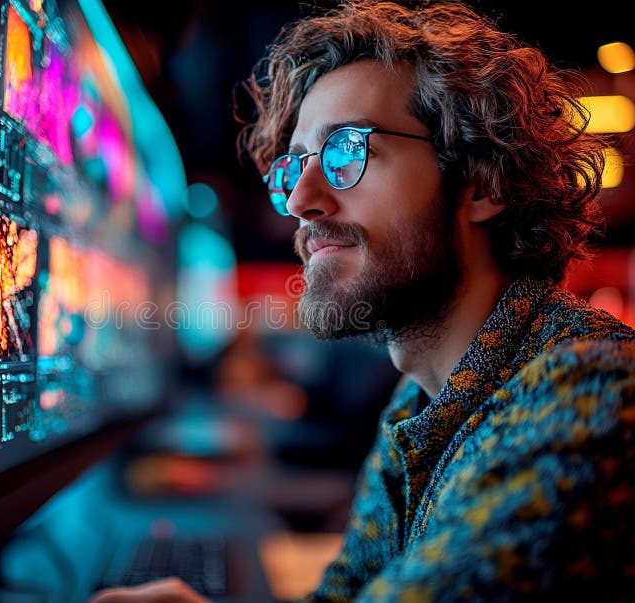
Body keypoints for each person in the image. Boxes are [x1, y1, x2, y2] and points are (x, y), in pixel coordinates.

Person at [89, 1, 635, 601]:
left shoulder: (591, 390)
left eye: (348, 150)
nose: (301, 200)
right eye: (293, 167)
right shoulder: (418, 404)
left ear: (482, 181)